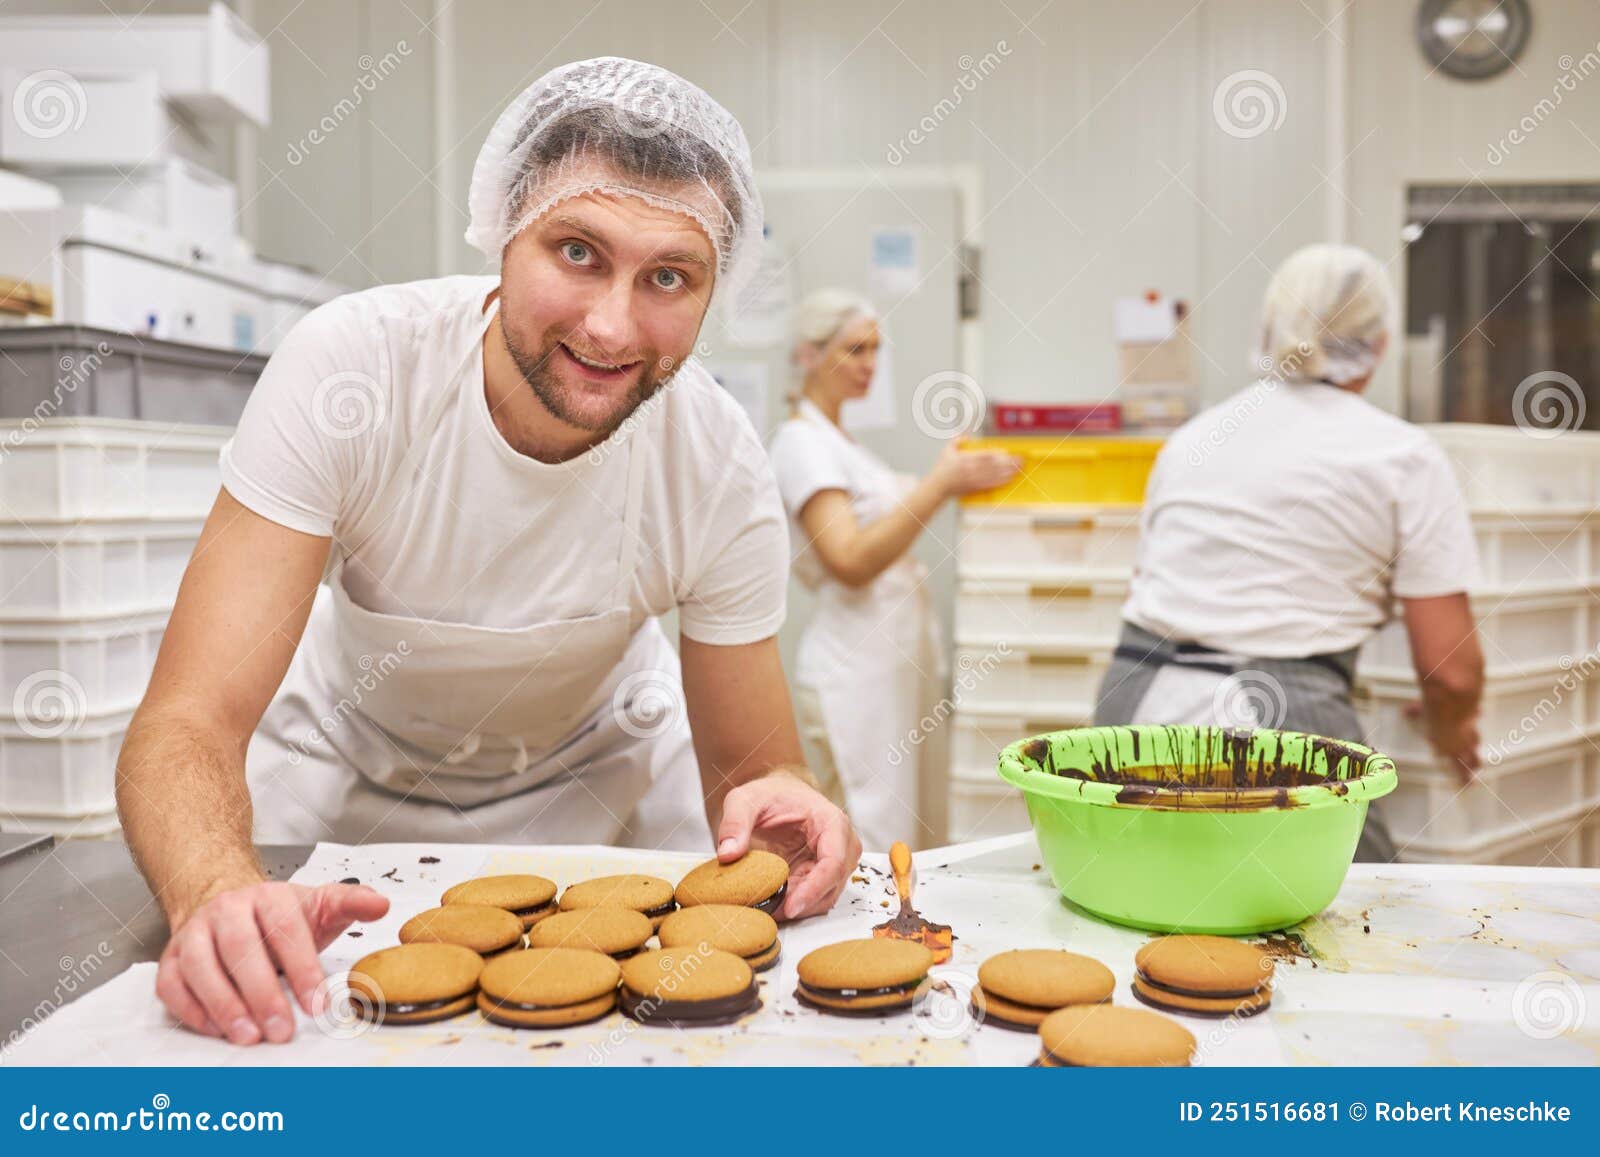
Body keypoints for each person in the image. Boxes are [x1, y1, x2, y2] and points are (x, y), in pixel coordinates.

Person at [115, 58, 861, 1047]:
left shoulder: (715, 460)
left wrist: (790, 811)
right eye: (577, 251)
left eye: (668, 276)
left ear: (715, 286)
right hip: (342, 788)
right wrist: (218, 883)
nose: (609, 325)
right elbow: (186, 719)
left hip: (602, 812)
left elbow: (753, 771)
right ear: (503, 231)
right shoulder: (355, 371)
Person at [1093, 244, 1485, 861]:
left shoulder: (1191, 440)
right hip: (1284, 723)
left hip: (1133, 709)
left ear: (1269, 330)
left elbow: (1152, 583)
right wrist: (1451, 730)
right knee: (1346, 920)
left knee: (1130, 896)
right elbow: (1453, 668)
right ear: (1379, 345)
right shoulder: (1401, 456)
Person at [766, 290, 1019, 850]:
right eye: (854, 349)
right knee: (874, 838)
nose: (869, 365)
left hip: (890, 668)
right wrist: (940, 485)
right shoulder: (801, 445)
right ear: (809, 355)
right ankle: (871, 940)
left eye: (876, 349)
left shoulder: (843, 444)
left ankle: (905, 935)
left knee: (909, 830)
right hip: (856, 671)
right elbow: (850, 561)